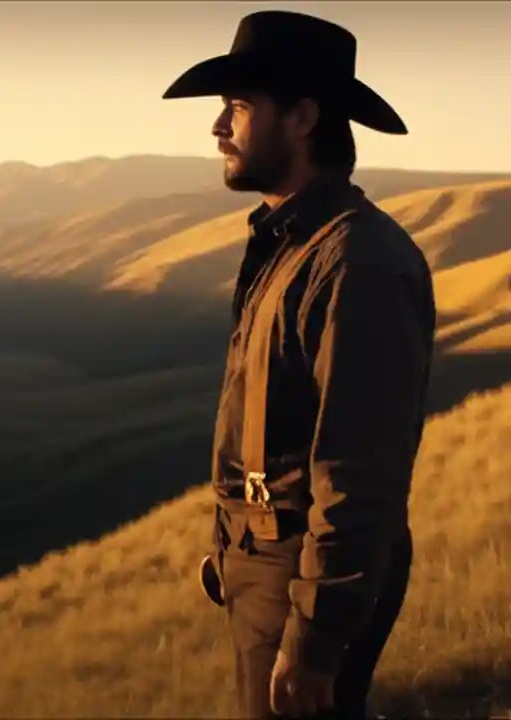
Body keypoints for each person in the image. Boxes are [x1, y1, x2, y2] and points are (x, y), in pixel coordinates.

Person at [162, 10, 436, 719]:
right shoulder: (294, 242)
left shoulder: (357, 262)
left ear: (304, 118)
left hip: (299, 575)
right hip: (267, 565)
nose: (218, 127)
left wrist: (315, 638)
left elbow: (358, 467)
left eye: (240, 107)